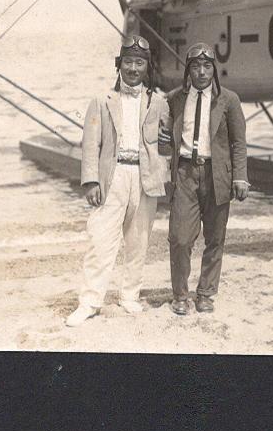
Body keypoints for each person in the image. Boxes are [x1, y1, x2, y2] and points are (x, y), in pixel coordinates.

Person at [65, 37, 169, 328]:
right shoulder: (101, 101)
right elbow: (90, 145)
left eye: (139, 63)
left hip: (144, 178)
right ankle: (90, 302)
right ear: (119, 65)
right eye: (128, 62)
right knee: (100, 241)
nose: (133, 68)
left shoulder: (159, 103)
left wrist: (164, 176)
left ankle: (130, 295)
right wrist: (90, 181)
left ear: (147, 68)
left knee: (139, 241)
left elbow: (166, 145)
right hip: (113, 177)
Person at [159, 43, 249, 315]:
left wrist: (240, 178)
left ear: (214, 69)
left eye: (206, 66)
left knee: (215, 238)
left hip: (217, 176)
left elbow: (238, 143)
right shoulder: (174, 98)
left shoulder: (229, 100)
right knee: (179, 238)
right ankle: (180, 295)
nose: (201, 72)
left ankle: (206, 294)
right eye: (195, 66)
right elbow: (164, 142)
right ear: (188, 69)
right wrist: (163, 143)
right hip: (185, 174)